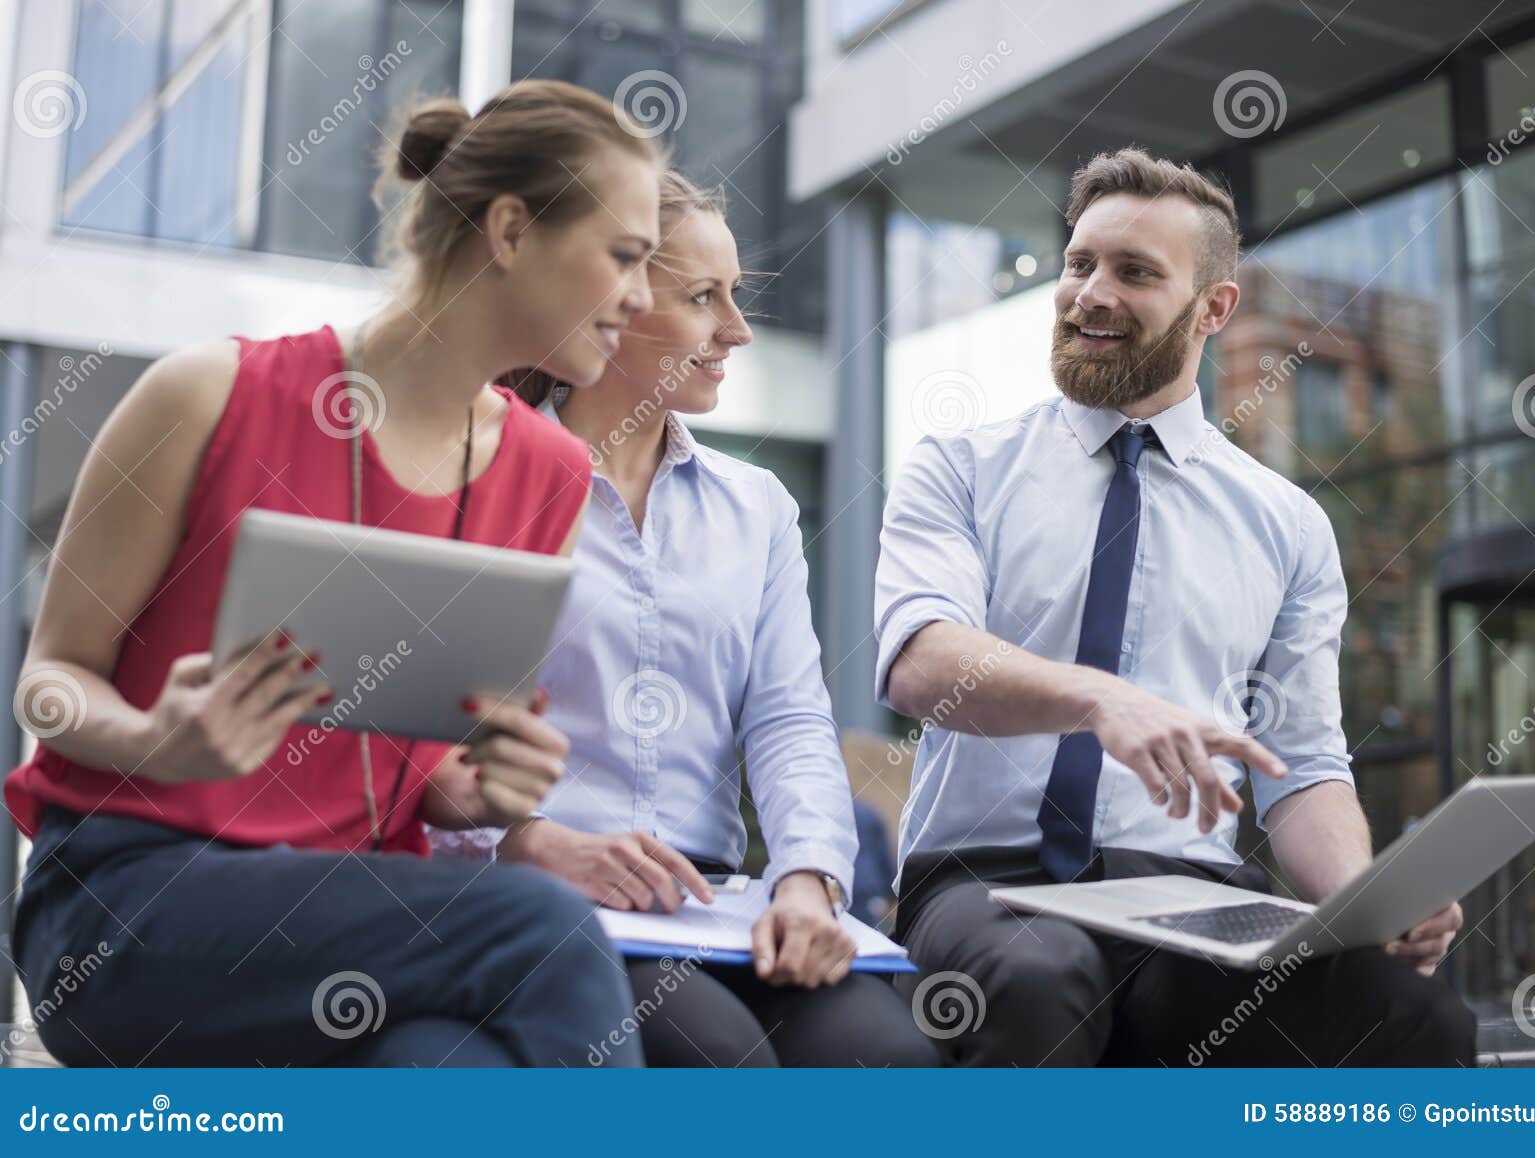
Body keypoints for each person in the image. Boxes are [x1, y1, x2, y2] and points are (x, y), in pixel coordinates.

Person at [5, 80, 666, 1067]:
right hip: (126, 905)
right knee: (543, 927)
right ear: (511, 230)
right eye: (624, 257)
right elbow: (46, 685)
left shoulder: (548, 472)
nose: (641, 299)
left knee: (453, 1072)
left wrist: (476, 790)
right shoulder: (206, 395)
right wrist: (152, 741)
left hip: (355, 920)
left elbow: (416, 760)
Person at [875, 147, 1477, 1067]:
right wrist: (1097, 698)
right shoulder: (959, 468)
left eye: (1135, 273)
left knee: (1414, 1014)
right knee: (1040, 981)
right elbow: (922, 663)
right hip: (989, 885)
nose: (1091, 294)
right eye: (1080, 264)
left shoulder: (1287, 525)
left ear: (1214, 310)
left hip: (1191, 896)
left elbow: (1302, 764)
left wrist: (1368, 906)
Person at [433, 172, 938, 1068]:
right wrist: (525, 842)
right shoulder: (479, 476)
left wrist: (810, 884)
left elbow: (789, 723)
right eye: (704, 298)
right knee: (717, 1055)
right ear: (612, 302)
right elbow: (417, 726)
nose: (736, 330)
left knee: (885, 1057)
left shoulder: (759, 509)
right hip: (544, 896)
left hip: (710, 904)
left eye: (735, 297)